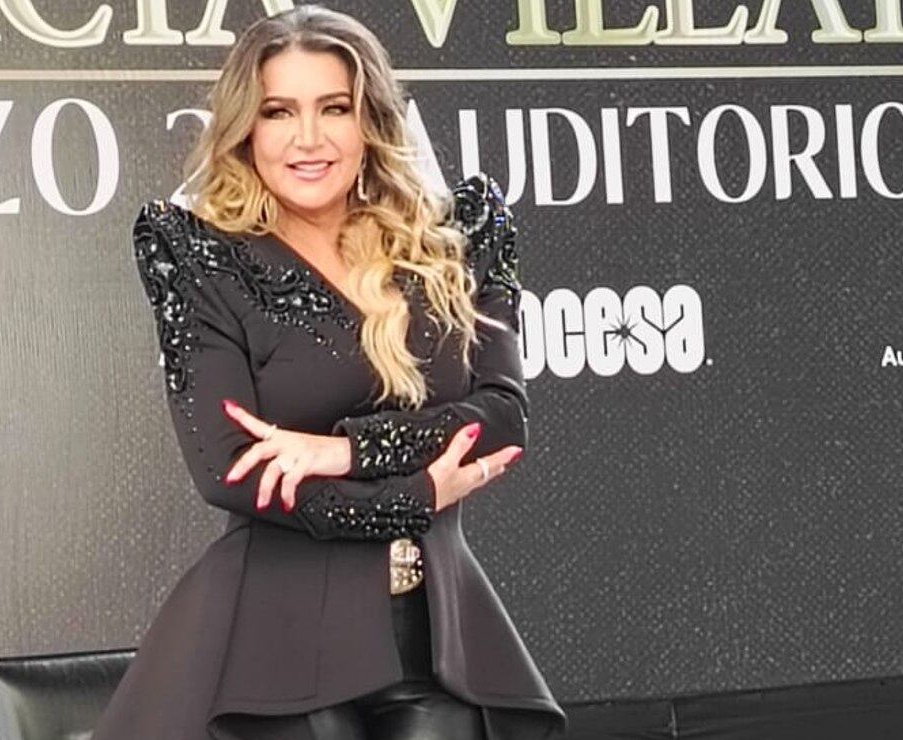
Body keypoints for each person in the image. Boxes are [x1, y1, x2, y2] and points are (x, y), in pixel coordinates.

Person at [92, 5, 566, 739]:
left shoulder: (460, 235)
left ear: (369, 120)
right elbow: (232, 470)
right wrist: (415, 495)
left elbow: (502, 418)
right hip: (266, 648)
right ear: (247, 128)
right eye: (279, 111)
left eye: (334, 108)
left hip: (439, 641)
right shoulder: (200, 255)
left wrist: (342, 451)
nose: (308, 138)